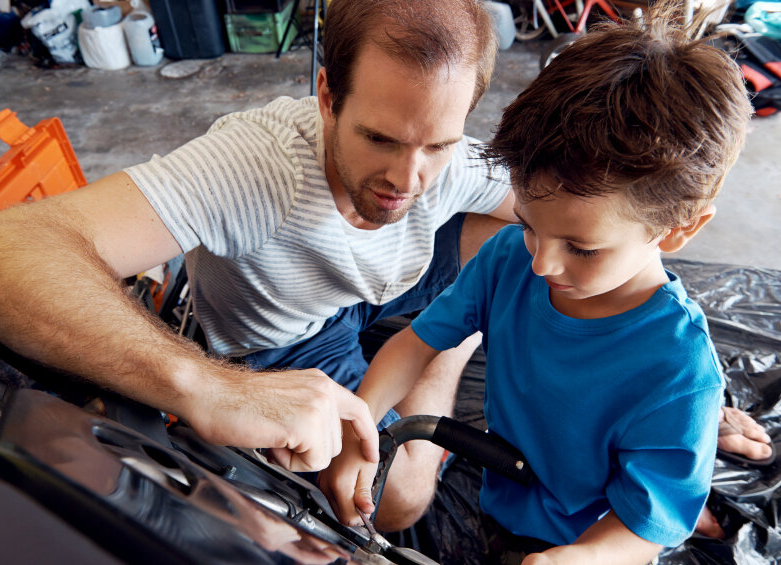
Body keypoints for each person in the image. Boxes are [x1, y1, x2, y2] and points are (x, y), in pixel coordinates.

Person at [0, 0, 514, 529]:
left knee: (511, 232)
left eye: (437, 145)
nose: (407, 180)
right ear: (327, 95)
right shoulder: (257, 166)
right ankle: (453, 344)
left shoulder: (449, 158)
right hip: (288, 339)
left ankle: (450, 329)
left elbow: (548, 203)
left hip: (377, 288)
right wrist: (203, 386)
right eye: (379, 138)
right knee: (401, 496)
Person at [321, 4, 753, 563]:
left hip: (586, 537)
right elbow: (415, 342)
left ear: (679, 228)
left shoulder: (678, 374)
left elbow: (645, 527)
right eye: (529, 225)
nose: (543, 264)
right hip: (503, 493)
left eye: (581, 248)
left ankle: (697, 501)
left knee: (661, 498)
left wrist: (580, 557)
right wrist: (362, 427)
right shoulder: (507, 257)